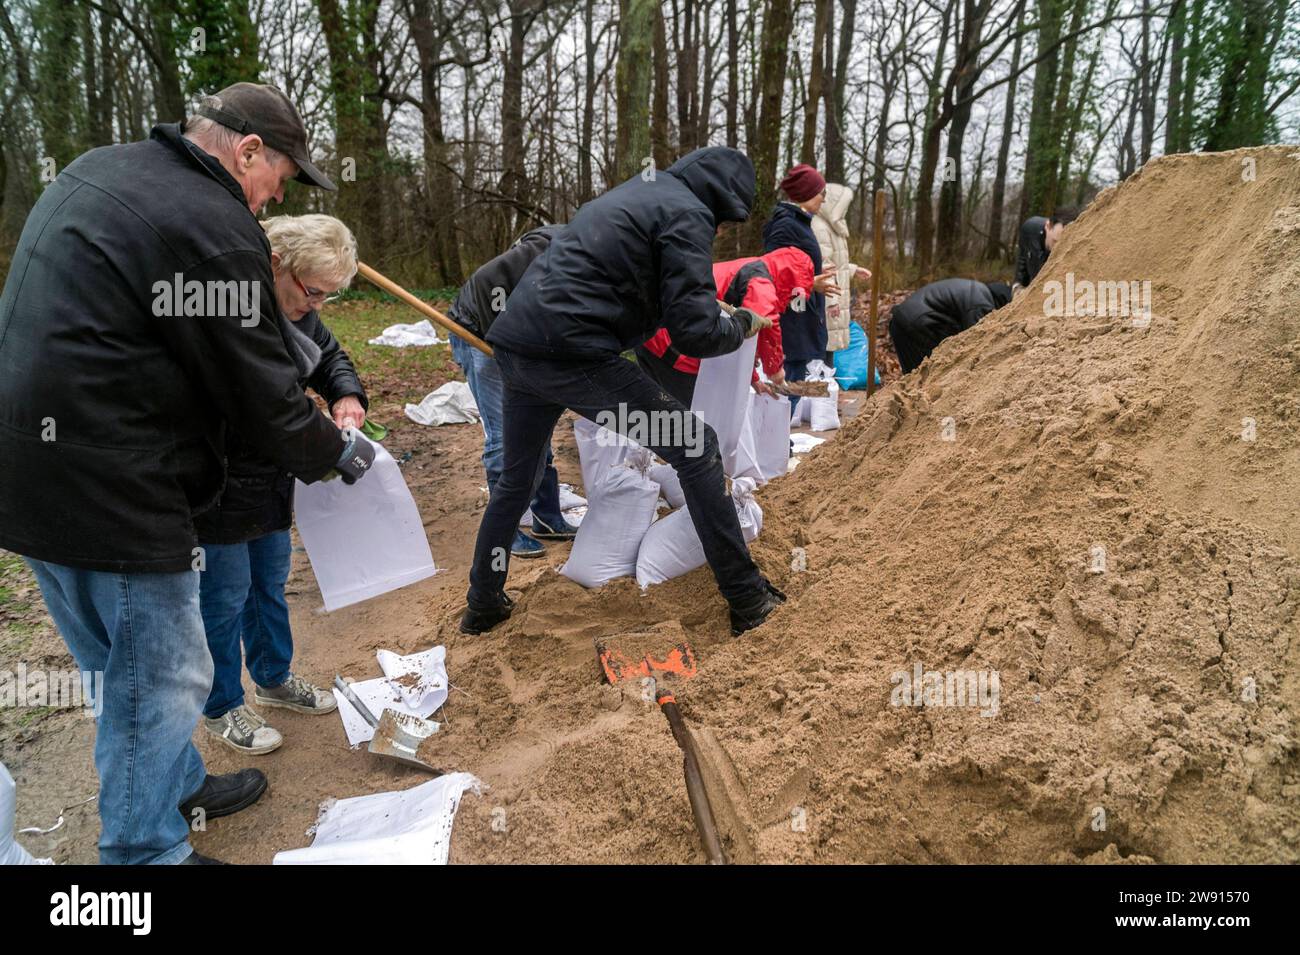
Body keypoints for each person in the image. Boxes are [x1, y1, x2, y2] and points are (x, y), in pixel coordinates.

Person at [0, 83, 376, 864]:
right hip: (115, 487)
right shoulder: (216, 226)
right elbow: (265, 398)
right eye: (280, 177)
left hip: (28, 474)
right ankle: (145, 856)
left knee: (118, 666)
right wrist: (338, 456)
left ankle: (176, 786)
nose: (276, 196)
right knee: (160, 680)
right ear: (245, 152)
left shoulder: (97, 169)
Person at [461, 146, 785, 637]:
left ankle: (482, 602)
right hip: (573, 354)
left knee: (516, 480)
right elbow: (693, 334)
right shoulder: (688, 213)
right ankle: (747, 598)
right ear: (717, 203)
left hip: (516, 347)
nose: (718, 230)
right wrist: (740, 323)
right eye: (723, 220)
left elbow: (637, 282)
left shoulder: (636, 193)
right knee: (696, 448)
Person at [197, 214, 367, 756]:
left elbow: (331, 355)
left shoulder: (300, 313)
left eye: (329, 297)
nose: (316, 305)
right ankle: (222, 705)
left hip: (270, 480)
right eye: (313, 291)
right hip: (216, 480)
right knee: (221, 598)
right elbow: (273, 409)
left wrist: (346, 395)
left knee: (269, 582)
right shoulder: (234, 314)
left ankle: (273, 678)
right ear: (276, 264)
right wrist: (332, 454)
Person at [447, 225, 578, 559]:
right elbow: (489, 283)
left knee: (537, 428)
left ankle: (547, 517)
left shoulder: (589, 258)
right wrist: (506, 348)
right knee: (503, 434)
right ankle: (505, 533)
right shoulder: (552, 247)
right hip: (480, 330)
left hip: (521, 337)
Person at [635, 246, 815, 406]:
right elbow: (766, 323)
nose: (792, 302)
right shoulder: (761, 283)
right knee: (686, 419)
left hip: (654, 332)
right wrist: (775, 371)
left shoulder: (752, 267)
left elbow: (742, 335)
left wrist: (753, 378)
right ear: (791, 282)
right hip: (675, 346)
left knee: (657, 412)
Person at [762, 163, 841, 407]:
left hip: (801, 312)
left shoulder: (798, 222)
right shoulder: (786, 225)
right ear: (807, 193)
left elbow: (793, 264)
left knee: (793, 379)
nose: (824, 200)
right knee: (788, 382)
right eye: (822, 194)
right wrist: (810, 283)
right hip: (791, 316)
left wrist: (815, 273)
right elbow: (772, 271)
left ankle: (779, 438)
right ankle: (776, 440)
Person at [888, 278, 1013, 373]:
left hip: (900, 320)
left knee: (913, 378)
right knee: (931, 374)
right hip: (921, 322)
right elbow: (977, 342)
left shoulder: (975, 289)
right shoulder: (982, 302)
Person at [811, 183, 872, 356]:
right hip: (828, 298)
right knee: (825, 345)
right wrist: (832, 302)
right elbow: (825, 267)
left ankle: (828, 378)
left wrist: (853, 269)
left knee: (831, 346)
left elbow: (836, 261)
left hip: (835, 294)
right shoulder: (819, 227)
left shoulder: (834, 227)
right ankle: (823, 380)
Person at [1014, 207, 1079, 289]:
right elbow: (1022, 260)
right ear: (1048, 226)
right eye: (1055, 241)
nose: (1058, 248)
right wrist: (1017, 287)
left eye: (1064, 245)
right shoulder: (1030, 230)